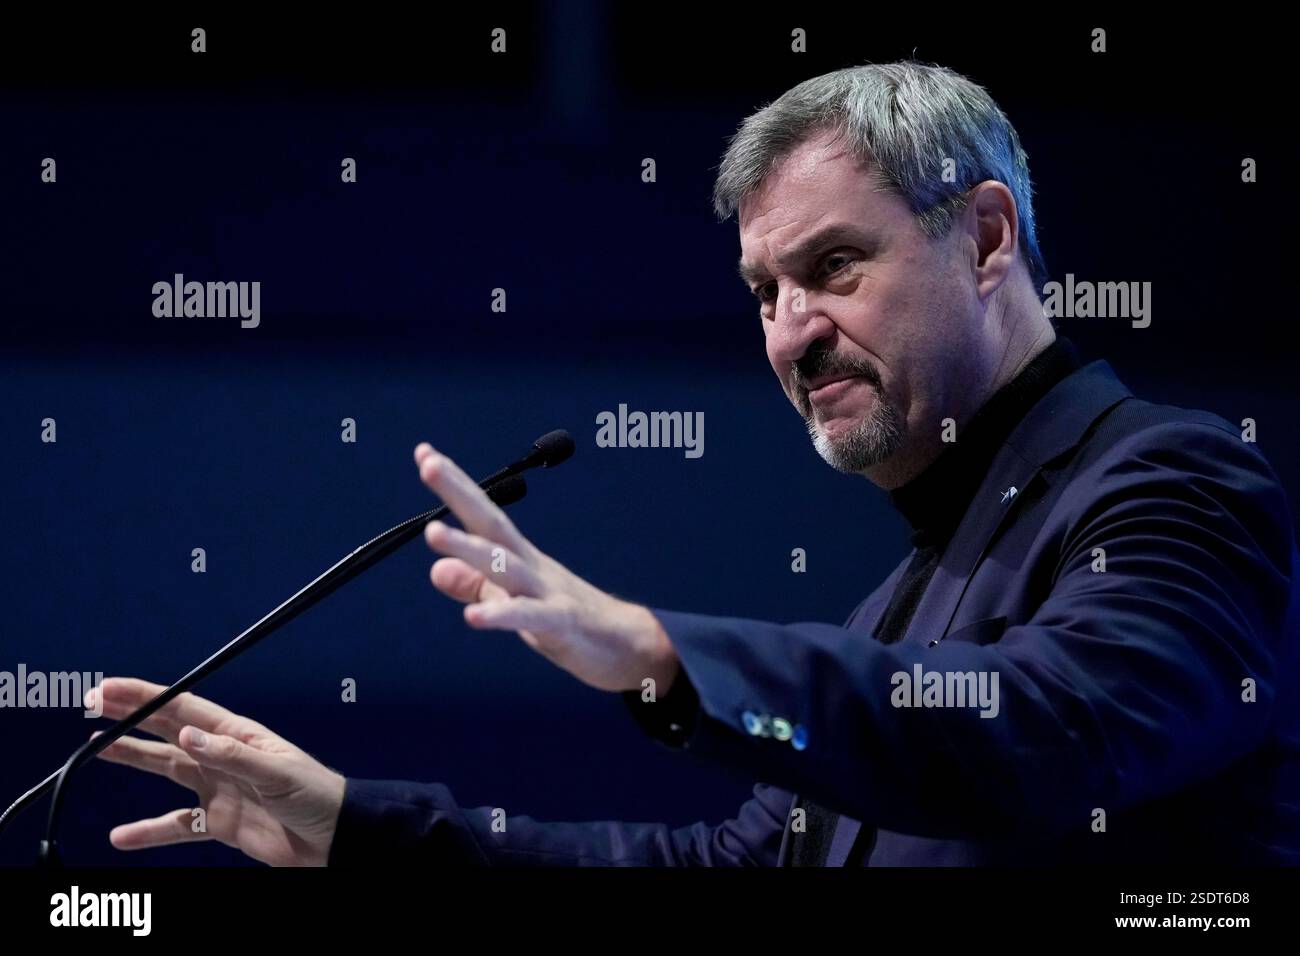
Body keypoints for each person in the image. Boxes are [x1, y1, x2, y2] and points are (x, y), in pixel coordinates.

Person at [87, 61, 1300, 866]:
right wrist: (354, 827)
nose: (790, 329)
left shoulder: (1173, 483)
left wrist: (670, 655)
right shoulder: (897, 610)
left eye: (833, 267)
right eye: (763, 291)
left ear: (985, 237)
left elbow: (1051, 725)